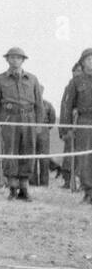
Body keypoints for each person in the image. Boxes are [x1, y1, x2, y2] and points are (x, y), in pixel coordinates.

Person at [0, 47, 45, 202]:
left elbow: (39, 103)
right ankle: (12, 187)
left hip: (29, 119)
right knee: (10, 151)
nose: (15, 60)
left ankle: (24, 189)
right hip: (9, 118)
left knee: (28, 150)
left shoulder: (32, 79)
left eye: (18, 58)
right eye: (11, 57)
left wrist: (39, 123)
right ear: (7, 60)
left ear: (23, 60)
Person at [59, 49, 92, 203]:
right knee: (84, 158)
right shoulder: (76, 82)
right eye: (89, 59)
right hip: (84, 122)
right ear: (83, 62)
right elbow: (67, 106)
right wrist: (66, 128)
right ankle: (88, 191)